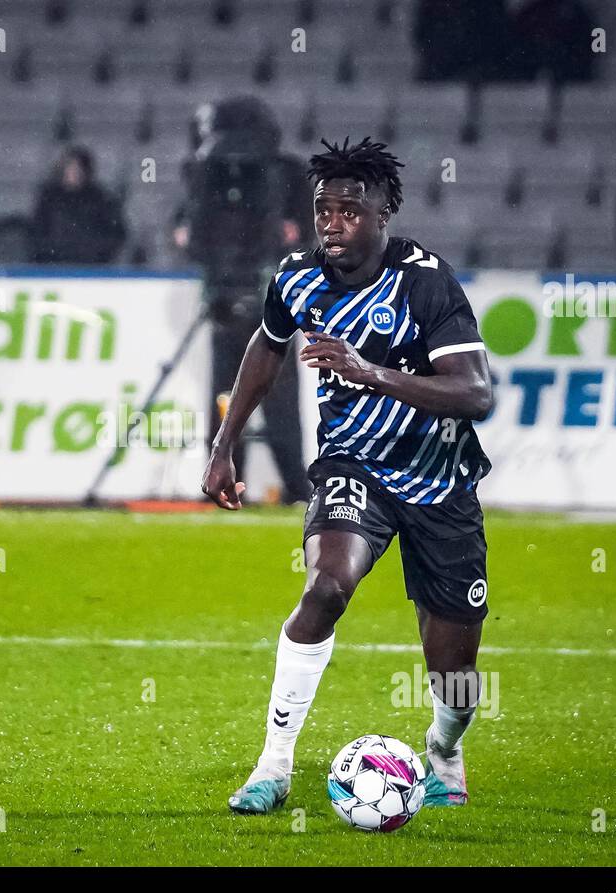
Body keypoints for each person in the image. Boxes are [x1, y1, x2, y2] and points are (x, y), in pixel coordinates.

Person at [202, 137, 494, 815]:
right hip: (352, 465)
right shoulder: (297, 276)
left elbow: (475, 392)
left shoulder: (425, 281)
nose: (333, 223)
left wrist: (371, 373)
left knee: (454, 673)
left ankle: (444, 747)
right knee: (327, 585)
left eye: (349, 211)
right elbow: (266, 346)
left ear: (384, 214)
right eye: (323, 210)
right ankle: (272, 766)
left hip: (440, 478)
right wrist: (224, 445)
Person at [176, 96, 311, 504]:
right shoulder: (209, 175)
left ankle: (292, 487)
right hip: (228, 301)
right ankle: (230, 484)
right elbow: (190, 231)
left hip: (270, 303)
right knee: (228, 400)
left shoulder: (285, 174)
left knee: (273, 400)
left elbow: (304, 231)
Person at [29, 146, 126, 264]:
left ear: (86, 171)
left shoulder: (100, 199)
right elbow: (37, 232)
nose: (73, 173)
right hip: (53, 265)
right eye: (69, 168)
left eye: (77, 168)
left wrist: (94, 252)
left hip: (90, 267)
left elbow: (116, 234)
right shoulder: (49, 198)